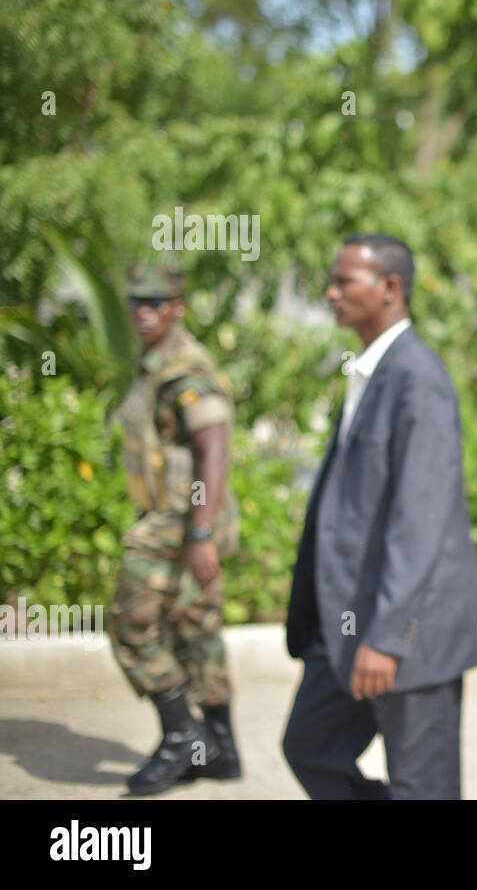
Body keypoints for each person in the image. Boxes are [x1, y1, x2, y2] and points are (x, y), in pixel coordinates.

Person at [282, 234, 477, 799]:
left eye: (344, 281)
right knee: (308, 746)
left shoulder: (417, 378)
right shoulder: (374, 371)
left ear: (390, 288)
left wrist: (389, 636)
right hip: (349, 625)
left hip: (406, 635)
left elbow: (420, 518)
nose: (330, 293)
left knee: (424, 787)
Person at [108, 263, 242, 796]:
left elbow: (215, 446)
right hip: (183, 518)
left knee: (130, 622)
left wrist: (201, 532)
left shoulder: (184, 369)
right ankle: (221, 747)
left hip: (181, 521)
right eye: (136, 302)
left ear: (176, 308)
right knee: (195, 626)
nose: (143, 312)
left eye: (155, 303)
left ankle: (183, 736)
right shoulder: (156, 362)